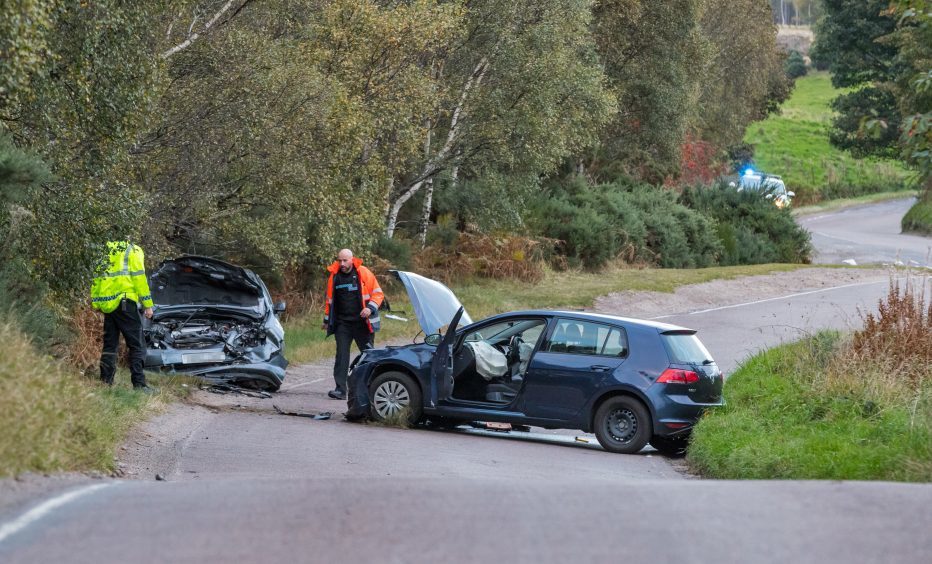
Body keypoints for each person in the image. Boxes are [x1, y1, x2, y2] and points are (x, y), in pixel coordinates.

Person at [90, 241, 156, 392]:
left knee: (110, 345)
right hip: (126, 303)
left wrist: (97, 303)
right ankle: (139, 385)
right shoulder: (132, 250)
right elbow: (140, 278)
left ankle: (106, 382)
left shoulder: (103, 249)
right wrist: (147, 304)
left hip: (109, 305)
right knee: (137, 345)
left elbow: (95, 279)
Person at [322, 249, 383, 400]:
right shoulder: (334, 276)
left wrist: (370, 308)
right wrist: (326, 320)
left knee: (368, 355)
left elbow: (378, 293)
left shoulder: (363, 272)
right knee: (341, 355)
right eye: (339, 260)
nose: (342, 264)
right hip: (343, 323)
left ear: (352, 259)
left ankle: (371, 387)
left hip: (363, 323)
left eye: (345, 260)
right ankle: (340, 389)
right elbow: (330, 300)